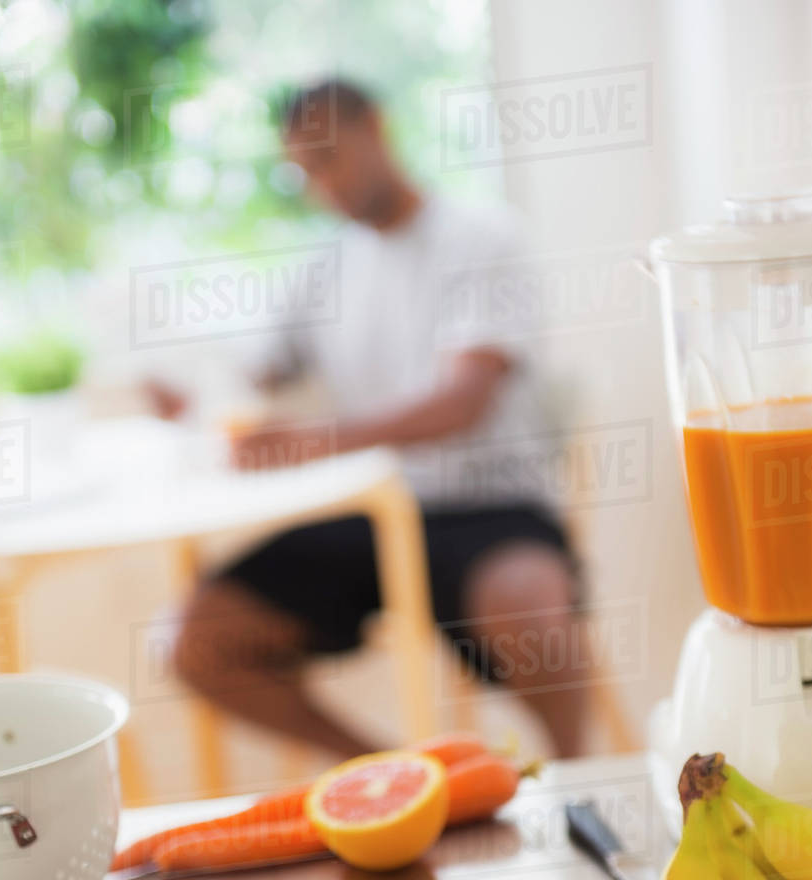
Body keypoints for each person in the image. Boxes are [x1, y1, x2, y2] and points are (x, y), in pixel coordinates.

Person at [158, 78, 588, 758]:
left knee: (533, 619)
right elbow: (251, 374)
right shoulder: (324, 269)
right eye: (304, 170)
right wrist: (191, 393)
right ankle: (395, 780)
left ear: (378, 129)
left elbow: (463, 400)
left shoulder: (482, 237)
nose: (320, 183)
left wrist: (319, 441)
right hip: (376, 509)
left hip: (492, 505)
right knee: (195, 641)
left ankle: (579, 783)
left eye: (329, 159)